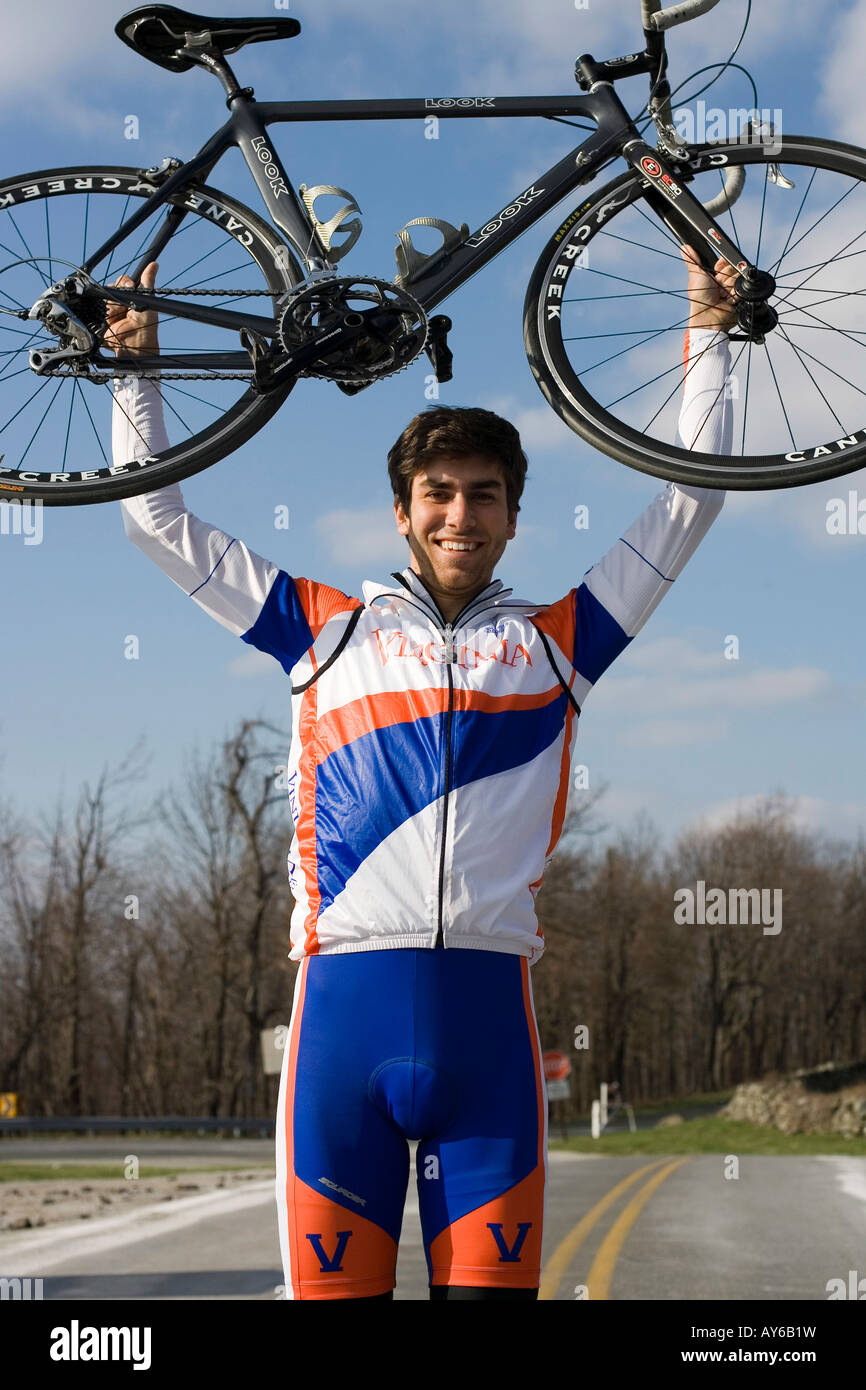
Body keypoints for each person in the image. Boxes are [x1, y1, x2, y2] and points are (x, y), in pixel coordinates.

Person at [106, 245, 736, 1300]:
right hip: (338, 1017)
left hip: (490, 1028)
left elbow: (690, 497)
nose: (458, 514)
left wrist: (709, 331)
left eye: (483, 496)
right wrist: (135, 370)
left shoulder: (558, 646)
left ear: (512, 517)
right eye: (436, 494)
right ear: (400, 511)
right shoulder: (321, 631)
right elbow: (154, 521)